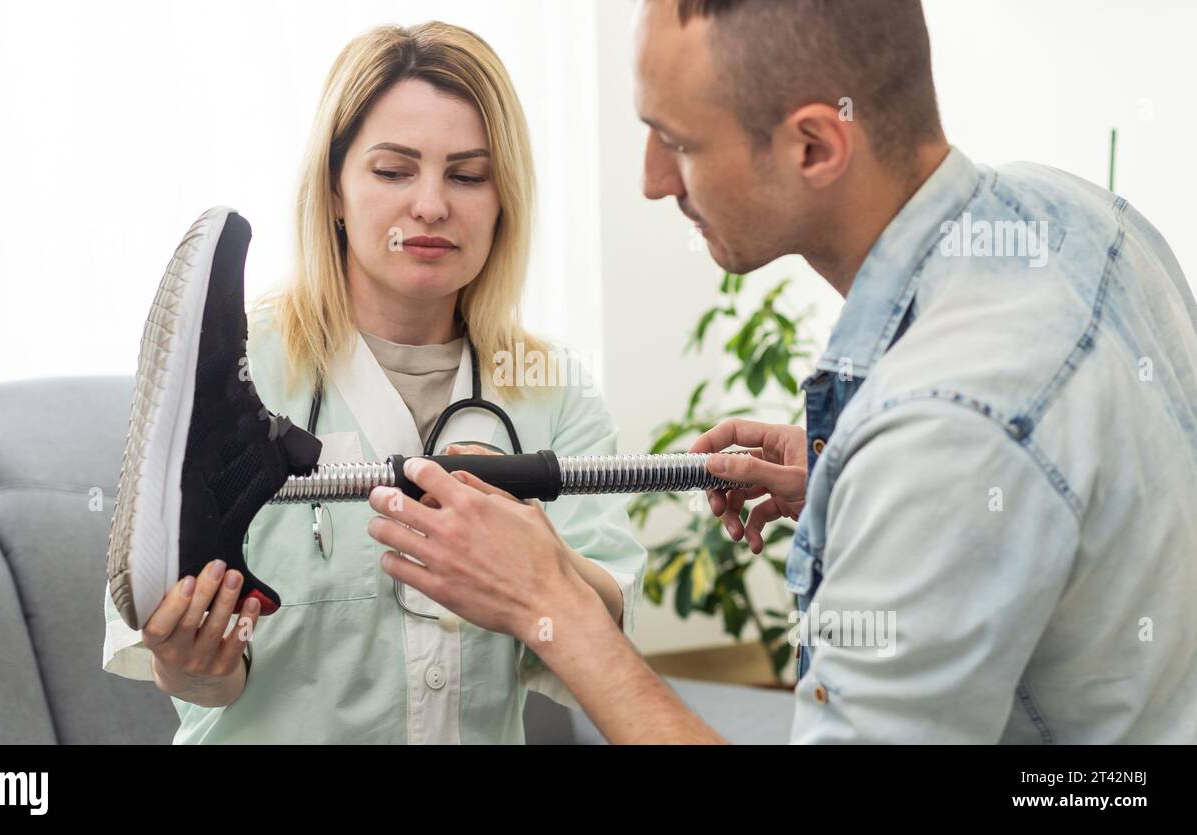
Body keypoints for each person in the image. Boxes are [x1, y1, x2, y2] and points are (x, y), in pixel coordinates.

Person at [366, 0, 1197, 743]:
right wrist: (854, 476)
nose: (651, 181)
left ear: (814, 144)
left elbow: (966, 442)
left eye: (679, 142)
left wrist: (550, 605)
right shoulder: (1076, 212)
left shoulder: (944, 433)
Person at [101, 21, 646, 744]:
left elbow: (600, 641)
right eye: (393, 171)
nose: (430, 206)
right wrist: (194, 661)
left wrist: (527, 551)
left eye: (467, 174)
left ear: (503, 198)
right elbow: (188, 656)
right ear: (334, 190)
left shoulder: (554, 392)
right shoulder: (239, 367)